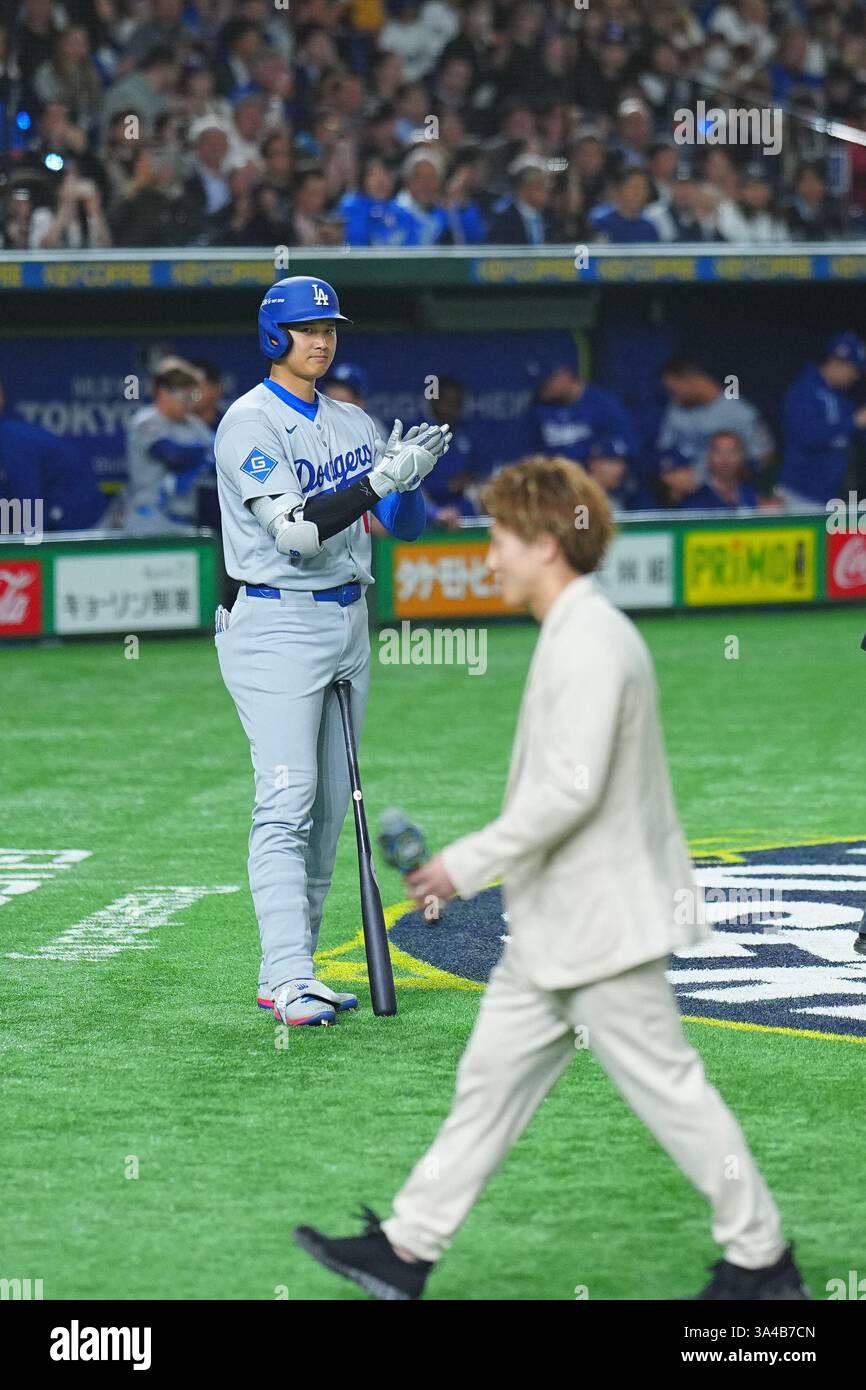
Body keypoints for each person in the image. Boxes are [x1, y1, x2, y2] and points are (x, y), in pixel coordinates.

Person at [293, 454, 809, 1302]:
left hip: (599, 923)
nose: (487, 552)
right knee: (488, 1088)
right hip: (560, 924)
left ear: (541, 541)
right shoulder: (580, 631)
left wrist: (455, 868)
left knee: (672, 1094)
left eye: (498, 535)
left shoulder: (591, 643)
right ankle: (408, 1246)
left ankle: (761, 1260)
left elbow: (565, 797)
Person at [213, 276, 452, 1026]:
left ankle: (294, 971)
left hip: (350, 622)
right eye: (307, 328)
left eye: (330, 328)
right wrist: (382, 476)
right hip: (277, 624)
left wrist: (408, 482)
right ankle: (286, 978)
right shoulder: (247, 423)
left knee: (325, 814)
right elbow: (297, 533)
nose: (321, 339)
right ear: (274, 337)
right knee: (287, 800)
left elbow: (401, 529)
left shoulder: (352, 420)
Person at [121, 357, 214, 534]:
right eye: (184, 396)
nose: (188, 403)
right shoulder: (147, 420)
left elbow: (221, 450)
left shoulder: (193, 424)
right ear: (163, 393)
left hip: (185, 521)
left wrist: (206, 453)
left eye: (191, 396)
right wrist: (205, 454)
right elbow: (173, 455)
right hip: (148, 520)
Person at [0, 377, 106, 532]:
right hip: (48, 515)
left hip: (80, 523)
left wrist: (19, 547)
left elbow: (29, 505)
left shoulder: (15, 442)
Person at [779, 332, 866, 508]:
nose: (856, 376)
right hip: (799, 494)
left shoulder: (839, 398)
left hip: (828, 497)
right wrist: (854, 422)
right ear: (837, 362)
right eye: (854, 369)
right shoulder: (805, 389)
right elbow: (806, 435)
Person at [658, 355, 774, 480]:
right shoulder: (675, 408)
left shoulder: (741, 412)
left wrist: (728, 479)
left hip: (725, 488)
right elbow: (665, 448)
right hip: (683, 484)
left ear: (691, 380)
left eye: (673, 391)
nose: (673, 397)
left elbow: (765, 457)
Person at [529, 358, 636, 466]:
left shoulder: (602, 402)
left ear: (565, 374)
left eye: (546, 382)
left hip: (590, 476)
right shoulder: (539, 408)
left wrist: (604, 451)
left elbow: (631, 442)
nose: (541, 388)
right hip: (554, 476)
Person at [684, 431, 759, 510]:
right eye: (718, 452)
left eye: (731, 451)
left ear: (742, 456)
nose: (725, 459)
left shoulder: (752, 495)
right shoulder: (695, 501)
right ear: (708, 456)